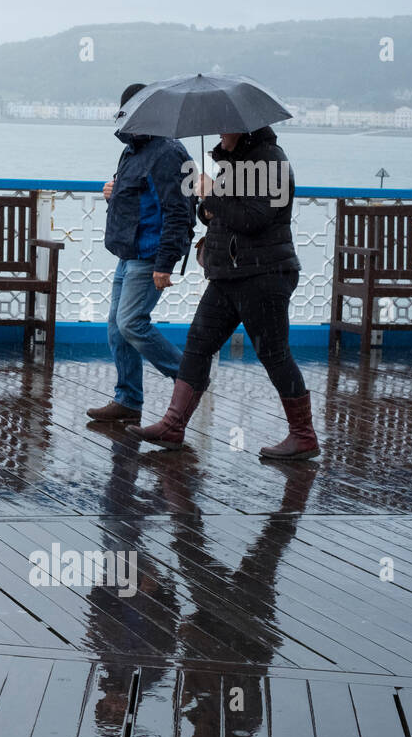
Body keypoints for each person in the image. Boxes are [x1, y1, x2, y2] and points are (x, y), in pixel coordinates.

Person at [129, 125, 320, 459]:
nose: (219, 138)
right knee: (197, 345)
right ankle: (173, 424)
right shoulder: (235, 163)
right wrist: (207, 205)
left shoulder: (272, 162)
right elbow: (222, 216)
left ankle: (303, 436)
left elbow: (254, 219)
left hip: (264, 275)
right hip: (228, 274)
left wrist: (213, 195)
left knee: (274, 354)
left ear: (243, 132)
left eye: (224, 132)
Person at [86, 83, 196, 425]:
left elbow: (180, 213)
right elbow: (136, 197)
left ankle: (189, 380)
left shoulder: (168, 153)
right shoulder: (134, 150)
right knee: (117, 329)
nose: (122, 119)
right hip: (128, 252)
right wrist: (112, 194)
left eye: (127, 112)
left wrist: (165, 263)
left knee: (132, 323)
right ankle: (129, 399)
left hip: (149, 255)